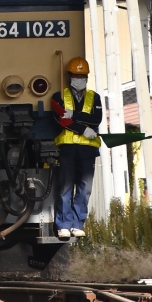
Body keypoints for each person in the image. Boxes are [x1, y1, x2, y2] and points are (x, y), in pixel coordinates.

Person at [51, 57, 103, 240]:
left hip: (88, 150)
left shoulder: (94, 97)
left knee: (84, 188)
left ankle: (77, 223)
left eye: (82, 75)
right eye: (75, 75)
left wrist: (75, 116)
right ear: (69, 76)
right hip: (67, 148)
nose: (78, 78)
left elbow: (97, 119)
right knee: (66, 187)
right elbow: (61, 120)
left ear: (87, 77)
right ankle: (63, 224)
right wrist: (84, 128)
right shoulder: (59, 97)